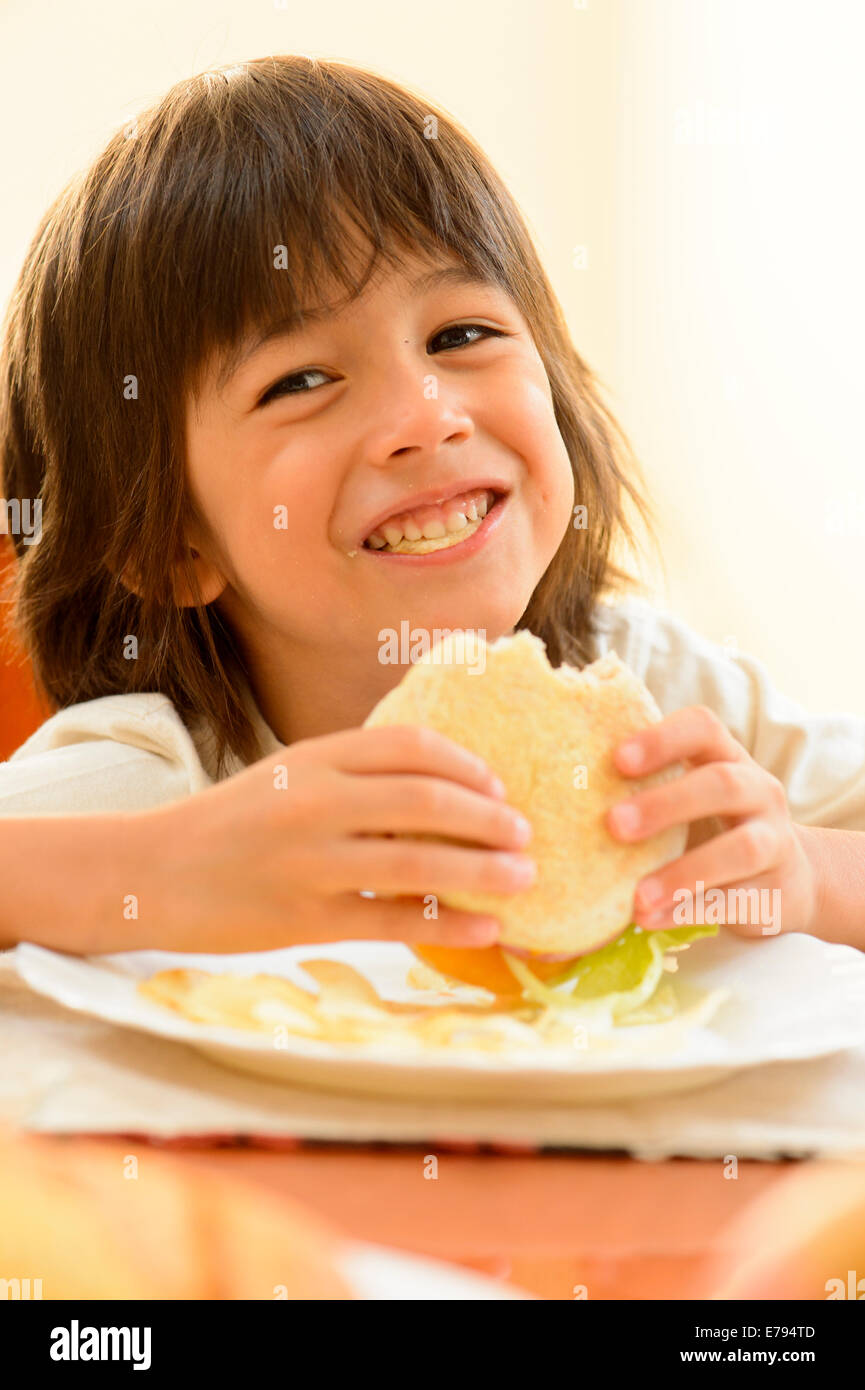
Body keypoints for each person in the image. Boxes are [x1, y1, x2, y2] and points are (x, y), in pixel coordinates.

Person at [1, 56, 863, 957]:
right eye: (300, 380)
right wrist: (154, 870)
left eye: (460, 334)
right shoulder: (161, 777)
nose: (426, 417)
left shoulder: (661, 704)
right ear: (170, 547)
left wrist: (803, 871)